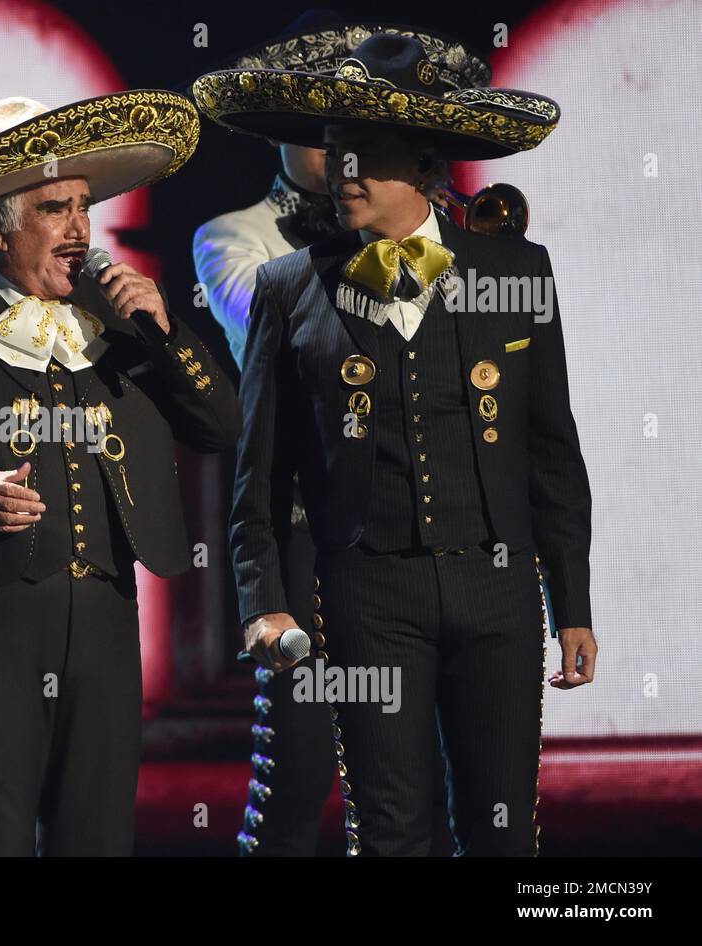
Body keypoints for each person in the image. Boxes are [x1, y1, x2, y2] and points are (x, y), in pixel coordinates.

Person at [197, 32, 596, 855]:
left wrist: (574, 604)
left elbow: (552, 448)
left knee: (501, 827)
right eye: (337, 156)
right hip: (368, 594)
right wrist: (264, 599)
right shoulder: (288, 284)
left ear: (420, 168)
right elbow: (260, 476)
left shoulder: (516, 268)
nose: (344, 176)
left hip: (496, 590)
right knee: (388, 828)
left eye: (365, 159)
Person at [0, 93, 241, 855]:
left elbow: (220, 426)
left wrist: (163, 330)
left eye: (84, 208)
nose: (80, 230)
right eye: (56, 209)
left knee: (96, 837)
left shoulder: (123, 314)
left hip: (103, 615)